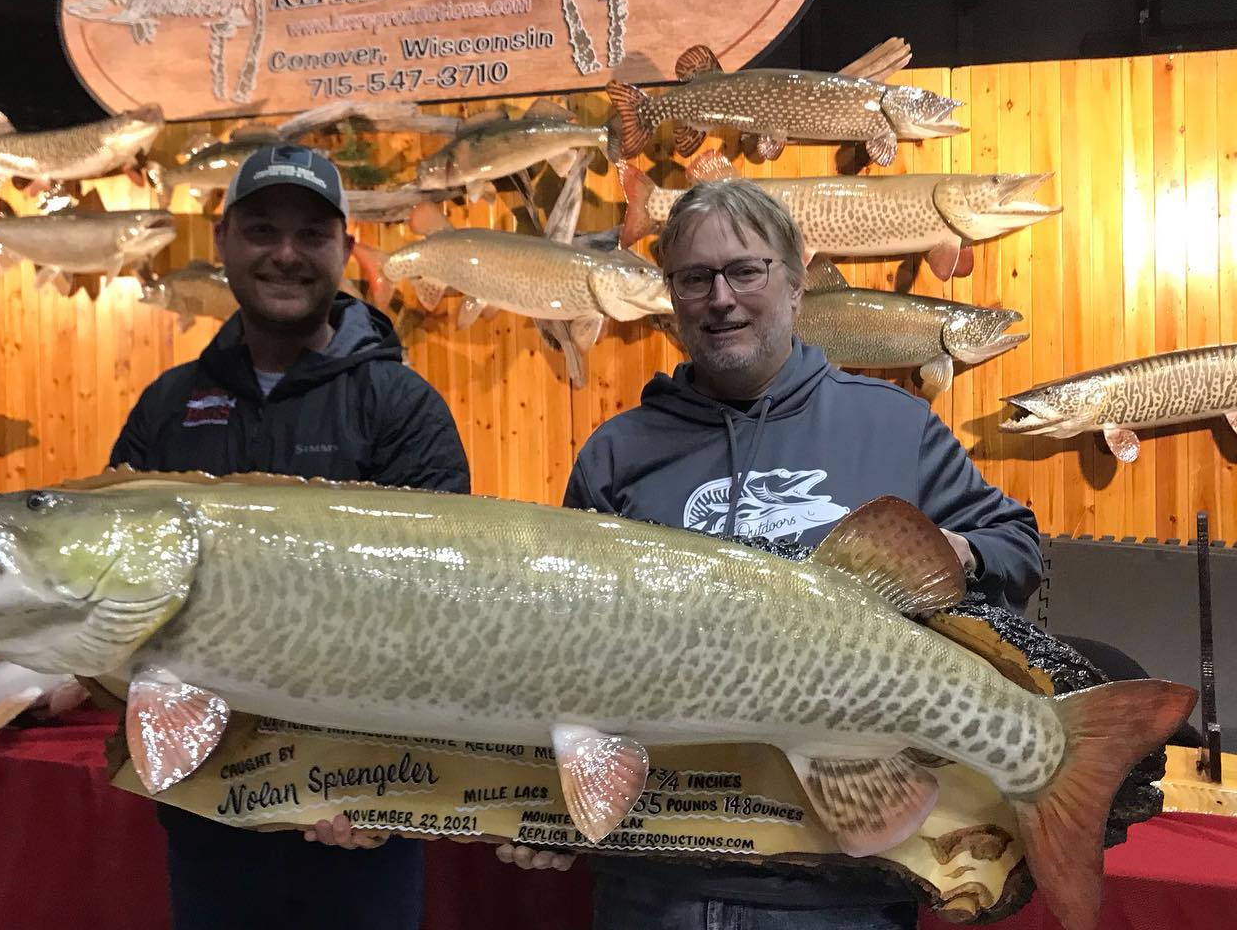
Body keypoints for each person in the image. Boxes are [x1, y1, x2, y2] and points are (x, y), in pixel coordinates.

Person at [503, 178, 1042, 929]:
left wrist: (951, 552)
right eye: (695, 278)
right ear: (673, 296)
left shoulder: (893, 428)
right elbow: (563, 651)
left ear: (794, 285)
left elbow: (1016, 545)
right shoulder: (616, 455)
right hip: (658, 876)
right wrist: (534, 799)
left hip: (837, 882)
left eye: (745, 271)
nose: (720, 297)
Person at [109, 143, 470, 930]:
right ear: (222, 244)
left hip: (358, 828)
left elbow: (439, 618)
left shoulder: (402, 407)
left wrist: (364, 777)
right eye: (262, 229)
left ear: (345, 248)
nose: (285, 254)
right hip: (209, 820)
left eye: (312, 235)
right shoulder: (166, 409)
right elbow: (127, 608)